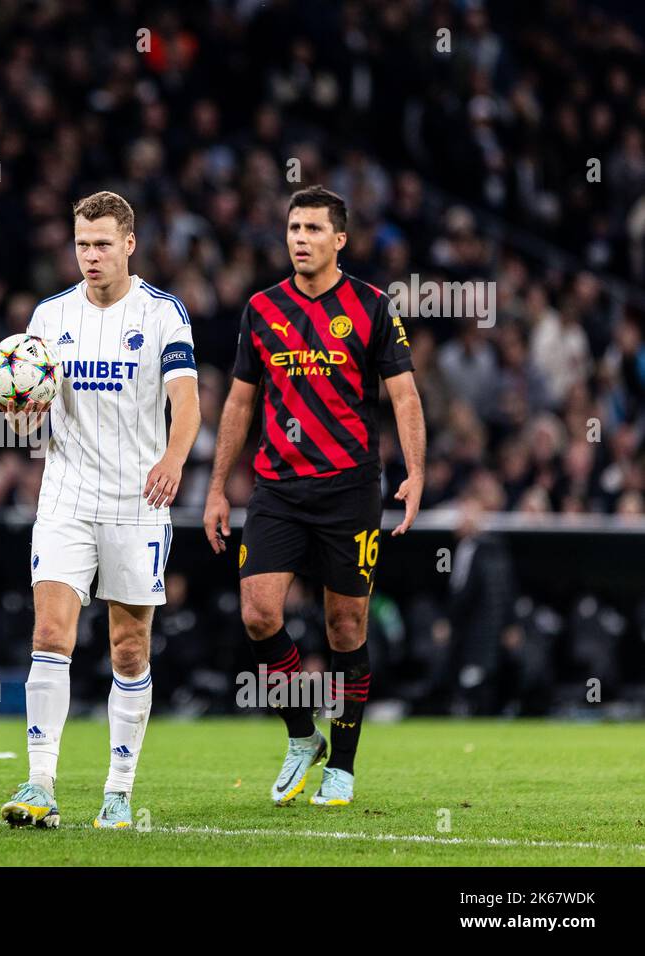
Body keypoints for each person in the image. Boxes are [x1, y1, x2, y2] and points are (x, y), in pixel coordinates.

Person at [203, 185, 426, 807]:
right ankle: (303, 735)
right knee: (258, 614)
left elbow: (405, 397)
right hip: (276, 487)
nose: (299, 238)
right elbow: (241, 401)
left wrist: (415, 473)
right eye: (293, 228)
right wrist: (218, 486)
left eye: (313, 229)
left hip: (351, 489)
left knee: (346, 625)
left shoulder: (373, 307)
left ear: (340, 240)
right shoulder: (261, 309)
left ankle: (344, 767)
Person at [0, 191, 201, 829]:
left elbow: (188, 402)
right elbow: (31, 404)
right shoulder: (50, 316)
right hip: (66, 496)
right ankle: (38, 784)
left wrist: (173, 459)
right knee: (50, 636)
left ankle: (118, 788)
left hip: (139, 500)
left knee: (129, 647)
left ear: (130, 244)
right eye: (82, 243)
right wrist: (22, 415)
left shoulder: (163, 313)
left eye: (102, 243)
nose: (90, 255)